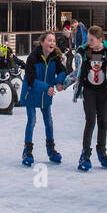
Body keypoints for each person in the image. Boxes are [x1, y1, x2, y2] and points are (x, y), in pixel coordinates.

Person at [70, 26, 107, 172]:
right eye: (88, 39)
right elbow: (77, 73)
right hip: (89, 90)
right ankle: (85, 153)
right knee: (90, 120)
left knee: (103, 120)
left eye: (92, 40)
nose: (88, 42)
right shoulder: (83, 52)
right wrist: (64, 84)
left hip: (103, 90)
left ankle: (102, 151)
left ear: (100, 40)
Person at [21, 32, 69, 166]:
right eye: (49, 40)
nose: (52, 43)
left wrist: (59, 81)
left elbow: (63, 71)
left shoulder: (55, 57)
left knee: (49, 122)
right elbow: (30, 80)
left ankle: (51, 150)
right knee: (32, 121)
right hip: (32, 93)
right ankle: (27, 150)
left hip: (45, 95)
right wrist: (46, 87)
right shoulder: (33, 58)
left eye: (53, 41)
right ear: (42, 43)